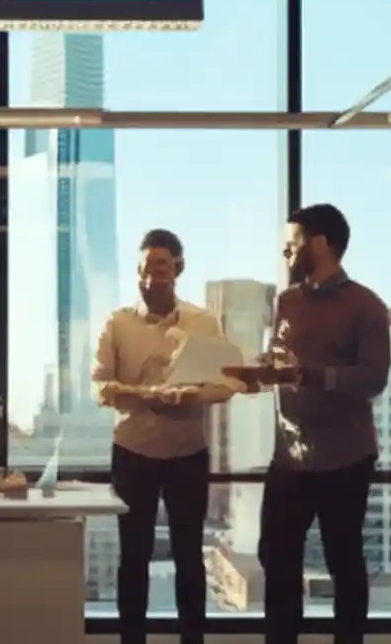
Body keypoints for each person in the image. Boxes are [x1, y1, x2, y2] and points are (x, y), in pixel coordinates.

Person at [93, 229, 240, 644]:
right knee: (133, 558)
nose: (149, 277)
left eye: (159, 266)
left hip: (186, 454)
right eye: (142, 269)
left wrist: (188, 397)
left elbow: (228, 384)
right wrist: (145, 396)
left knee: (189, 559)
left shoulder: (202, 323)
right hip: (133, 450)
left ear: (178, 268)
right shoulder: (117, 322)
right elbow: (100, 387)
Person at [252, 204, 390, 644]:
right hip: (289, 458)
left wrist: (309, 375)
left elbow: (372, 378)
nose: (284, 249)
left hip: (345, 458)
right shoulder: (286, 301)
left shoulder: (366, 306)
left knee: (344, 562)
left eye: (292, 241)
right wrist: (263, 370)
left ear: (322, 243)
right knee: (276, 558)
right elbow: (283, 358)